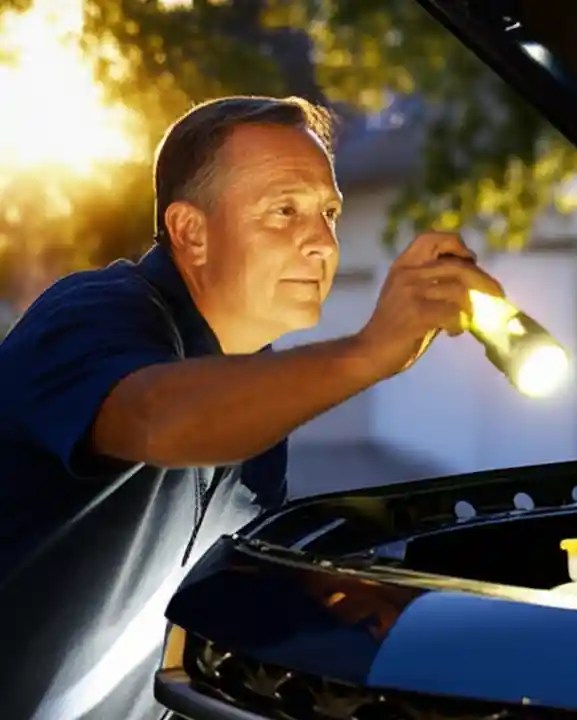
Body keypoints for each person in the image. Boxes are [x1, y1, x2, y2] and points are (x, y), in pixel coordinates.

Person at [0, 95, 503, 720]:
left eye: (329, 213)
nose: (321, 242)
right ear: (190, 231)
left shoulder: (257, 411)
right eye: (284, 211)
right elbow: (156, 418)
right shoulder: (91, 312)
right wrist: (370, 351)